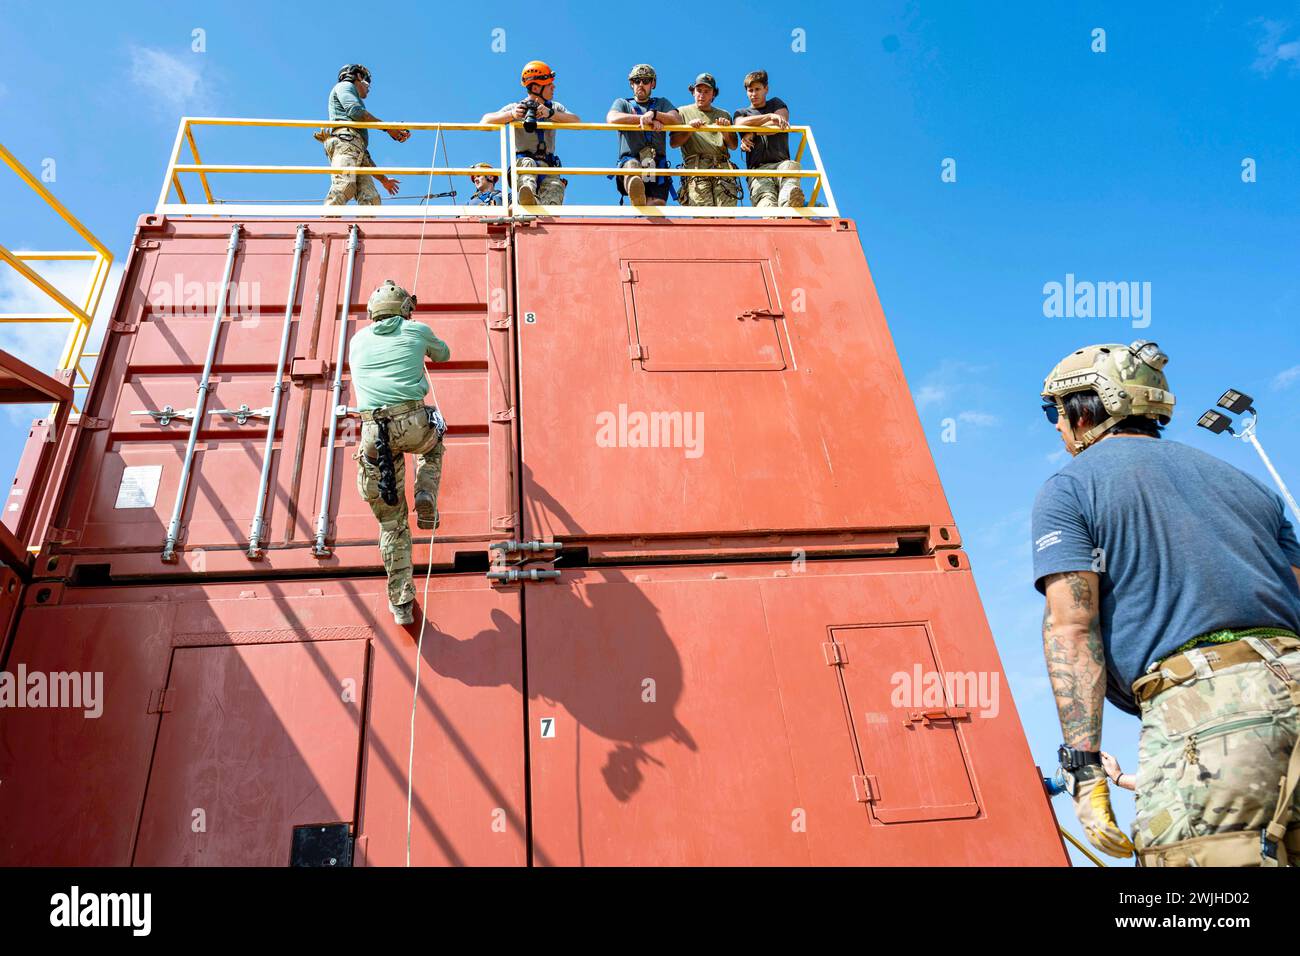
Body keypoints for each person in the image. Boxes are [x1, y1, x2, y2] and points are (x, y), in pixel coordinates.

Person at [1034, 339, 1300, 866]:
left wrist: (1086, 771)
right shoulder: (1247, 484)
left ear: (1088, 406)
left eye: (1054, 412)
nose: (1057, 426)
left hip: (1210, 716)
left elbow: (1071, 628)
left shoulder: (1069, 489)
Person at [349, 280, 451, 626]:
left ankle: (401, 603)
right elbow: (444, 354)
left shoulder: (356, 340)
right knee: (434, 442)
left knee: (392, 524)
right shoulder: (417, 329)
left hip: (372, 434)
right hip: (412, 423)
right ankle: (425, 492)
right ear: (405, 308)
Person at [480, 60, 580, 206]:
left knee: (555, 185)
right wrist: (512, 115)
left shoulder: (554, 107)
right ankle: (528, 199)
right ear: (536, 87)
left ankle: (546, 209)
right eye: (549, 84)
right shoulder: (516, 107)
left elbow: (577, 122)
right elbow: (485, 122)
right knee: (527, 164)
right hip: (524, 166)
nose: (554, 87)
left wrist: (551, 114)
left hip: (548, 166)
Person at [321, 64, 409, 206]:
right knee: (345, 186)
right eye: (367, 82)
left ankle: (366, 227)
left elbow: (362, 156)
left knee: (371, 198)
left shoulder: (356, 138)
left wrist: (384, 180)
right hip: (345, 141)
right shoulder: (345, 86)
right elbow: (356, 112)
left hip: (353, 144)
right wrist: (389, 128)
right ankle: (326, 222)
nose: (368, 87)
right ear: (358, 76)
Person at [606, 64, 681, 206]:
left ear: (653, 84)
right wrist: (645, 120)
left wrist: (654, 114)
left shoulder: (661, 103)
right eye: (636, 81)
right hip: (631, 161)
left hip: (655, 164)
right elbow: (612, 118)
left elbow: (677, 119)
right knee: (633, 170)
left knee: (657, 205)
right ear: (631, 84)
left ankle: (647, 218)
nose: (641, 84)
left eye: (646, 81)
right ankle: (637, 193)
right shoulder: (623, 103)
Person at [733, 70, 805, 209]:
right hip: (758, 170)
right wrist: (768, 117)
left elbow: (780, 124)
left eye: (758, 89)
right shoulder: (742, 112)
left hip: (781, 163)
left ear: (766, 89)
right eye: (750, 90)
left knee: (791, 169)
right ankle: (775, 219)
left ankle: (790, 207)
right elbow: (739, 123)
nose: (754, 94)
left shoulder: (776, 103)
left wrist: (752, 132)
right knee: (766, 201)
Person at [669, 72, 739, 208]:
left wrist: (725, 131)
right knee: (702, 215)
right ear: (693, 92)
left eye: (707, 91)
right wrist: (690, 129)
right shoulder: (682, 112)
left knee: (726, 215)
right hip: (696, 168)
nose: (702, 95)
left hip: (722, 167)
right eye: (699, 90)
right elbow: (673, 143)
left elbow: (733, 145)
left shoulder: (724, 114)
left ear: (713, 94)